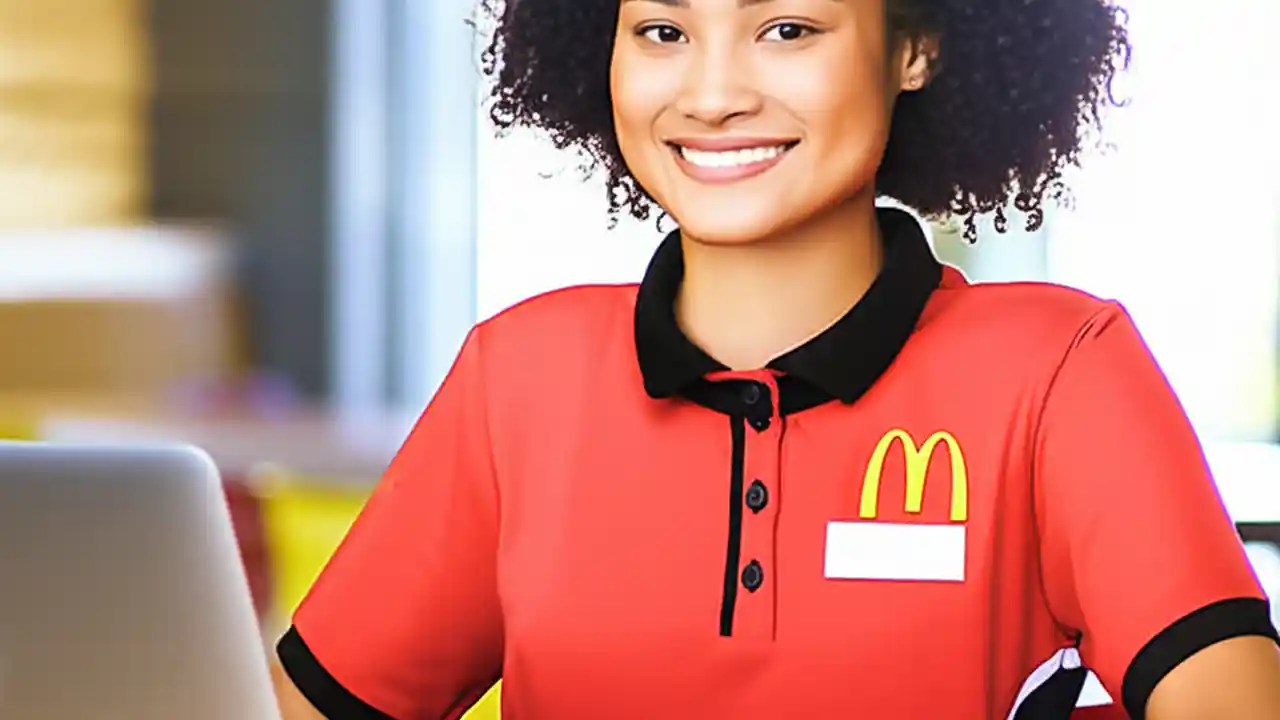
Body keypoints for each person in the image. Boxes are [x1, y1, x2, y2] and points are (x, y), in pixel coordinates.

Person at [274, 0, 1280, 717]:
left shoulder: (1061, 368)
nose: (710, 96)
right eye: (662, 32)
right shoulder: (518, 374)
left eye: (786, 30)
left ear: (914, 46)